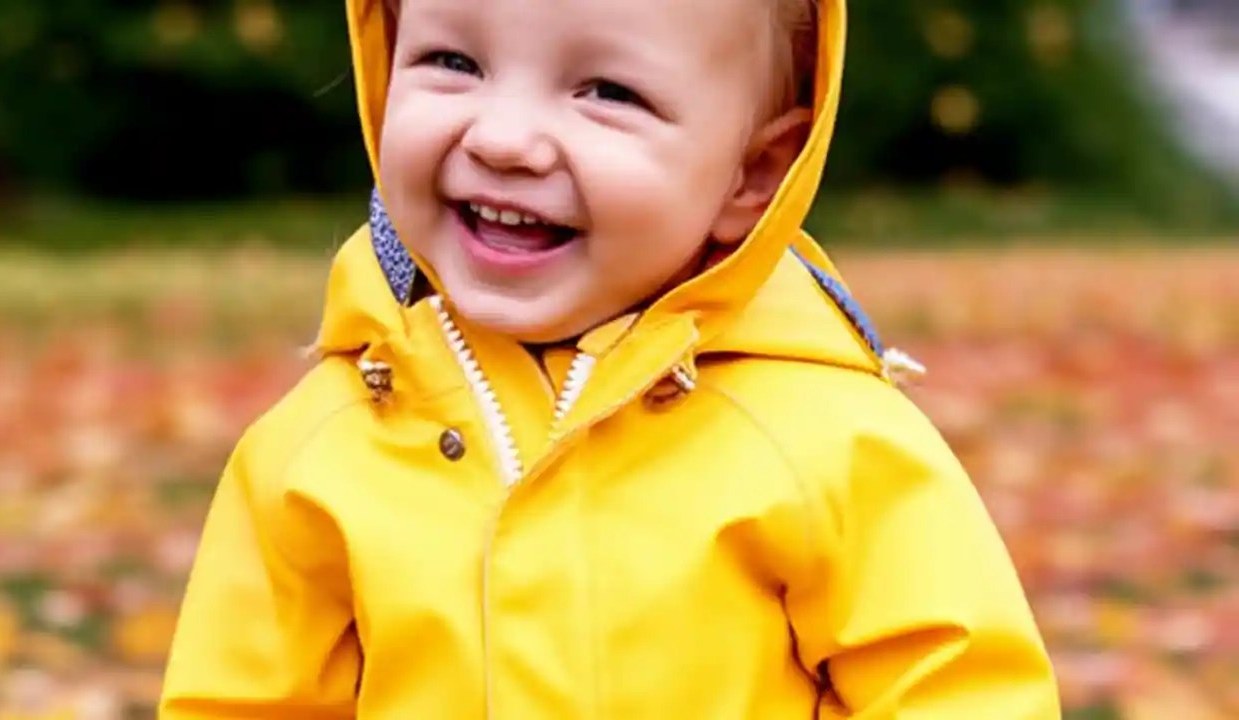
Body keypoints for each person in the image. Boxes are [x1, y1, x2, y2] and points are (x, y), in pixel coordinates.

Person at [159, 0, 1061, 716]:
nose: (503, 138)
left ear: (752, 173)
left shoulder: (835, 447)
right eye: (454, 62)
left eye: (607, 92)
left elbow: (959, 690)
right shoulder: (315, 456)